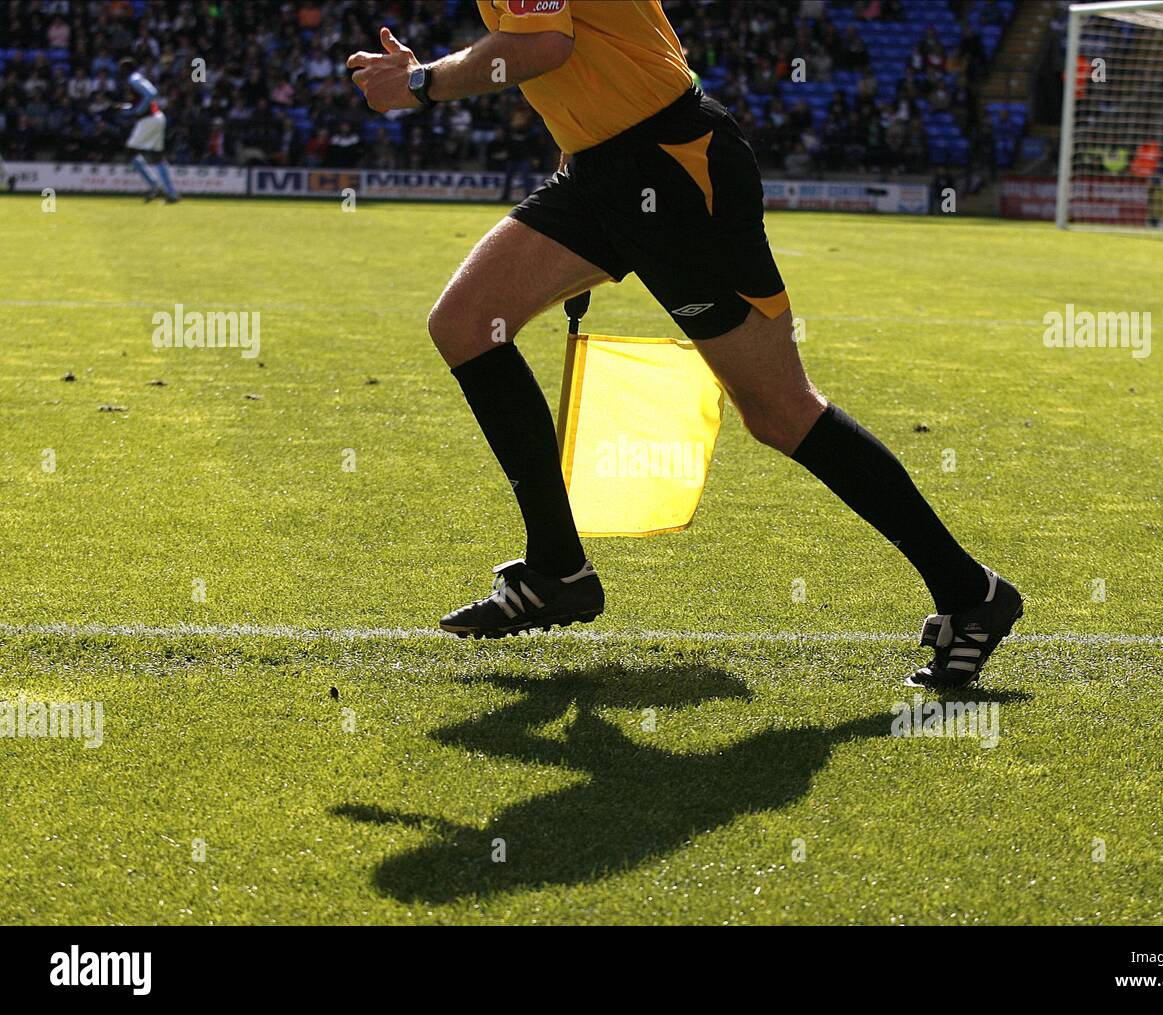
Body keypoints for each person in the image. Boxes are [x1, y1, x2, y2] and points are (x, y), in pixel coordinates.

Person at [346, 1, 1022, 690]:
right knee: (466, 324)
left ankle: (972, 593)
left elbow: (545, 44)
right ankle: (556, 569)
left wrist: (422, 83)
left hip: (672, 166)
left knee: (780, 410)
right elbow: (604, 45)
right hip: (600, 169)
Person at [117, 58, 178, 204]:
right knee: (157, 156)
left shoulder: (133, 79)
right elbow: (143, 100)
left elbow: (151, 93)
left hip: (149, 120)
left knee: (130, 152)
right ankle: (171, 193)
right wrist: (125, 109)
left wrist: (138, 111)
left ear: (126, 70)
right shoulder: (136, 80)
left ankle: (154, 185)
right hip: (157, 117)